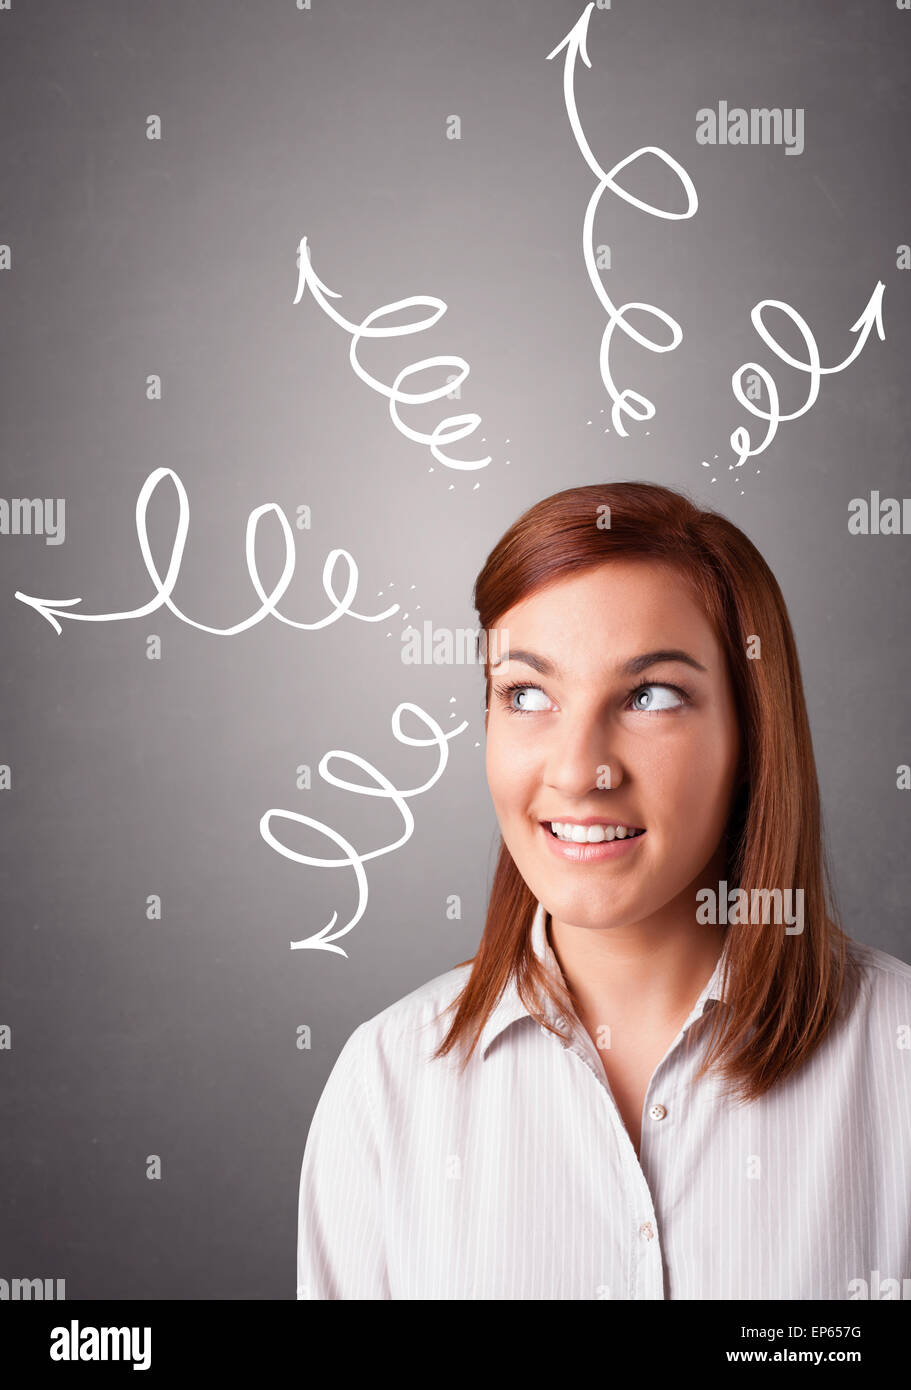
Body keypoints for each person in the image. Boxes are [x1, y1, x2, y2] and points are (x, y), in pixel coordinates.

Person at [296, 480, 911, 1300]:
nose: (580, 771)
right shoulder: (383, 1087)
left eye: (649, 696)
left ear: (751, 734)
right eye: (526, 694)